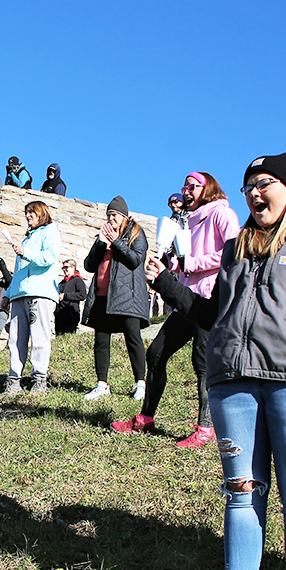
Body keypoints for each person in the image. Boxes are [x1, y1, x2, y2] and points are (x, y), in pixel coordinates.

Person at [147, 152, 286, 570]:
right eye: (249, 186)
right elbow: (215, 315)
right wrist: (168, 285)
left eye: (265, 183)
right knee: (241, 497)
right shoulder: (237, 248)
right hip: (231, 384)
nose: (254, 193)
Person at [112, 172, 239, 447]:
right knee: (156, 353)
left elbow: (233, 254)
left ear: (207, 189)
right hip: (185, 301)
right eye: (184, 187)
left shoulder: (223, 215)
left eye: (191, 187)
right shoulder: (187, 222)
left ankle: (205, 428)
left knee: (202, 363)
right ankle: (146, 418)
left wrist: (191, 263)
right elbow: (183, 261)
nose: (185, 192)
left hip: (209, 300)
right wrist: (167, 267)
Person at [81, 196, 149, 400]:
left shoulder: (135, 233)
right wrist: (101, 244)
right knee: (101, 340)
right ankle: (102, 384)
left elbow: (136, 259)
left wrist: (116, 242)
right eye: (108, 215)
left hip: (127, 296)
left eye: (115, 215)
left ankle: (141, 383)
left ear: (124, 217)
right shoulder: (104, 236)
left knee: (133, 338)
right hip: (102, 296)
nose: (111, 219)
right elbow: (89, 265)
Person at [3, 200, 61, 394]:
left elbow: (50, 257)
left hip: (40, 293)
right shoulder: (27, 239)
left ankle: (39, 379)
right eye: (26, 212)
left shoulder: (50, 232)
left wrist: (26, 252)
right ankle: (14, 379)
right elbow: (19, 271)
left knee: (39, 337)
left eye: (32, 212)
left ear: (42, 213)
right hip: (19, 294)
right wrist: (7, 294)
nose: (28, 215)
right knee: (15, 339)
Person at [54, 259, 87, 335]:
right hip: (59, 315)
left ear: (73, 267)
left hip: (71, 314)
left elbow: (82, 295)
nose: (64, 270)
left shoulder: (78, 280)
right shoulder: (61, 283)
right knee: (59, 338)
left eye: (66, 267)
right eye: (63, 268)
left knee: (68, 337)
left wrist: (65, 296)